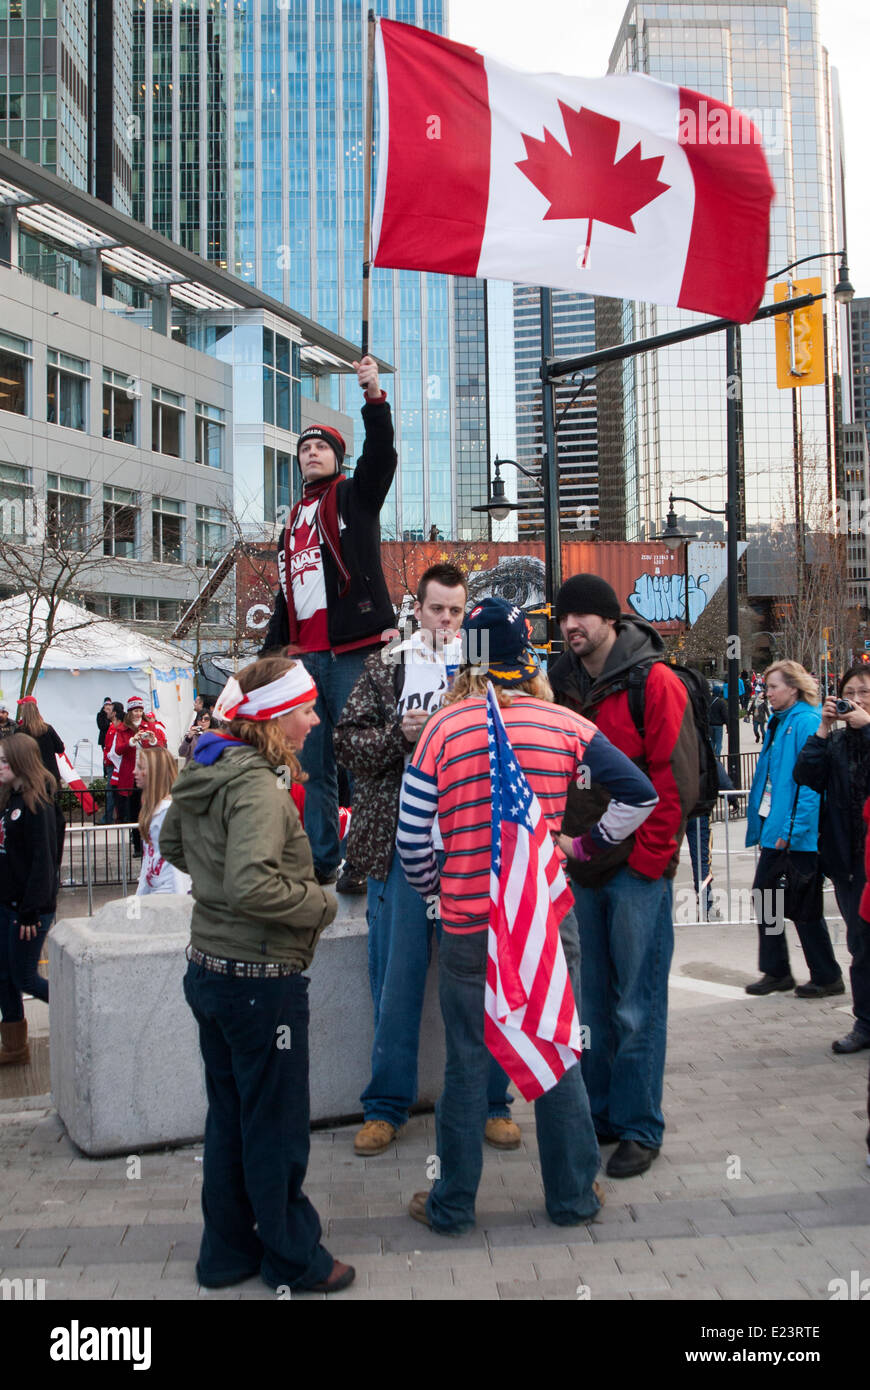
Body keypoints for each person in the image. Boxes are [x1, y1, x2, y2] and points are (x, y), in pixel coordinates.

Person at [395, 597, 658, 1234]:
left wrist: (436, 885)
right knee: (556, 1048)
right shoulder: (565, 724)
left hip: (466, 921)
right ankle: (571, 1197)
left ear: (468, 660)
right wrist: (583, 846)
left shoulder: (440, 728)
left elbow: (410, 839)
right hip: (544, 917)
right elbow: (639, 794)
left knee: (465, 1062)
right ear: (527, 656)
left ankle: (452, 1204)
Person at [160, 656, 354, 1294]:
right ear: (275, 718)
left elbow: (171, 846)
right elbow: (251, 884)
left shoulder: (209, 765)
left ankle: (225, 1255)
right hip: (257, 982)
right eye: (304, 709)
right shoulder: (259, 787)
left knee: (231, 1117)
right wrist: (321, 904)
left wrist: (214, 886)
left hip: (210, 971)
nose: (315, 719)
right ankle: (295, 1257)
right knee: (274, 1122)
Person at [335, 564, 519, 1157]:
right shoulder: (387, 665)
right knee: (395, 985)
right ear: (417, 608)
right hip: (401, 846)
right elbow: (344, 742)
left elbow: (516, 737)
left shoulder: (486, 666)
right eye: (436, 609)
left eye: (455, 611)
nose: (446, 620)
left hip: (471, 846)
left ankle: (494, 1103)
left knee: (489, 984)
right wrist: (399, 734)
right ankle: (386, 1106)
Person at [548, 574, 699, 1179]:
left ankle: (640, 1127)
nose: (570, 627)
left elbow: (675, 783)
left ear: (611, 619)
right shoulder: (561, 681)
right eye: (563, 618)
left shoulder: (653, 681)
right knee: (592, 1004)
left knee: (637, 1004)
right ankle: (604, 1114)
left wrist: (648, 862)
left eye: (582, 616)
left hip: (637, 871)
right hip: (583, 866)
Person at [259, 355, 397, 895]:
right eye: (304, 448)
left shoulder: (353, 497)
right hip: (303, 659)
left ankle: (362, 858)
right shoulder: (292, 518)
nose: (311, 453)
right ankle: (323, 861)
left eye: (321, 447)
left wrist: (373, 398)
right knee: (309, 766)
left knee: (361, 757)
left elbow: (381, 458)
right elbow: (285, 594)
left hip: (351, 652)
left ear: (337, 457)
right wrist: (269, 655)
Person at [745, 660, 843, 998]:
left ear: (794, 687)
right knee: (776, 898)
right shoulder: (784, 721)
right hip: (781, 829)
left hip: (795, 834)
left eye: (773, 687)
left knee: (797, 902)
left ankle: (818, 974)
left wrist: (793, 829)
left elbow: (811, 786)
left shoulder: (804, 722)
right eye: (767, 686)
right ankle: (788, 971)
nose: (766, 693)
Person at [792, 663, 870, 1050]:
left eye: (864, 692)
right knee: (859, 944)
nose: (854, 700)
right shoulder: (836, 743)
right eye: (849, 693)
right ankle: (865, 1023)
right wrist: (823, 729)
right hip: (848, 859)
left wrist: (867, 728)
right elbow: (805, 775)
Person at [0, 733, 59, 1066]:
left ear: (20, 762)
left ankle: (74, 1008)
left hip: (27, 911)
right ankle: (14, 1045)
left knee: (25, 977)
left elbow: (43, 862)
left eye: (4, 761)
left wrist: (31, 912)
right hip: (6, 904)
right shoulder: (11, 799)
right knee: (4, 975)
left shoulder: (37, 805)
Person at [108, 697, 167, 853]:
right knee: (133, 811)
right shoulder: (122, 728)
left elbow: (160, 746)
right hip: (130, 774)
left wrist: (152, 739)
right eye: (136, 711)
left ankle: (150, 843)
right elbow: (118, 750)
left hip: (147, 773)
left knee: (150, 808)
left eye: (140, 710)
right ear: (130, 712)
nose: (138, 714)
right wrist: (132, 742)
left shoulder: (150, 726)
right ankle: (137, 845)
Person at [134, 746, 191, 896]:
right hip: (156, 891)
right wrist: (138, 898)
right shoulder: (154, 810)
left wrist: (181, 904)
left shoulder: (168, 811)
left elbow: (178, 865)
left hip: (170, 894)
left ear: (154, 772)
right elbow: (148, 859)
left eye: (140, 768)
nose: (135, 772)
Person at [16, 696, 66, 863]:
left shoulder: (21, 732)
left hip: (30, 778)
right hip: (50, 777)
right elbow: (60, 748)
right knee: (52, 813)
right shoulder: (47, 728)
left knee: (33, 811)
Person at [102, 702, 126, 824]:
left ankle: (109, 817)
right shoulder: (112, 727)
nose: (107, 711)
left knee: (112, 791)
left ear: (115, 713)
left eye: (109, 709)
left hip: (114, 764)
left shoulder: (117, 728)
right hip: (111, 763)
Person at [709, 683, 727, 758]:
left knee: (711, 742)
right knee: (719, 743)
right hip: (718, 725)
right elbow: (725, 715)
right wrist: (728, 725)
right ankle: (717, 758)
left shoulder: (708, 700)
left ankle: (711, 757)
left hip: (709, 724)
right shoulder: (721, 702)